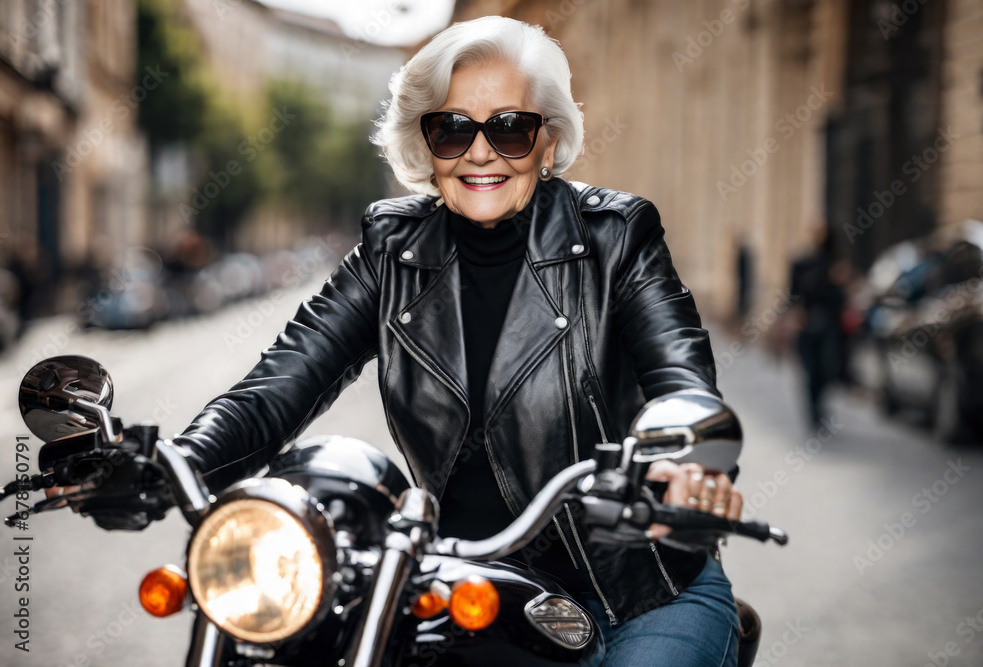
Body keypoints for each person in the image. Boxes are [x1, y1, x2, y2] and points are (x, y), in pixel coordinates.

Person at [173, 17, 743, 665]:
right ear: (426, 147)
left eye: (510, 127)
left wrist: (686, 460)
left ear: (548, 143)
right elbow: (280, 384)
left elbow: (684, 383)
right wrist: (179, 457)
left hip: (638, 590)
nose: (479, 152)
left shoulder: (618, 238)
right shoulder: (392, 250)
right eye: (452, 129)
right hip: (466, 591)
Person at [789, 223, 849, 427]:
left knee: (827, 367)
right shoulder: (802, 264)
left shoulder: (837, 264)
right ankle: (813, 410)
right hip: (808, 324)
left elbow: (842, 298)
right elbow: (793, 295)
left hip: (830, 326)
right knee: (810, 369)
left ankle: (819, 405)